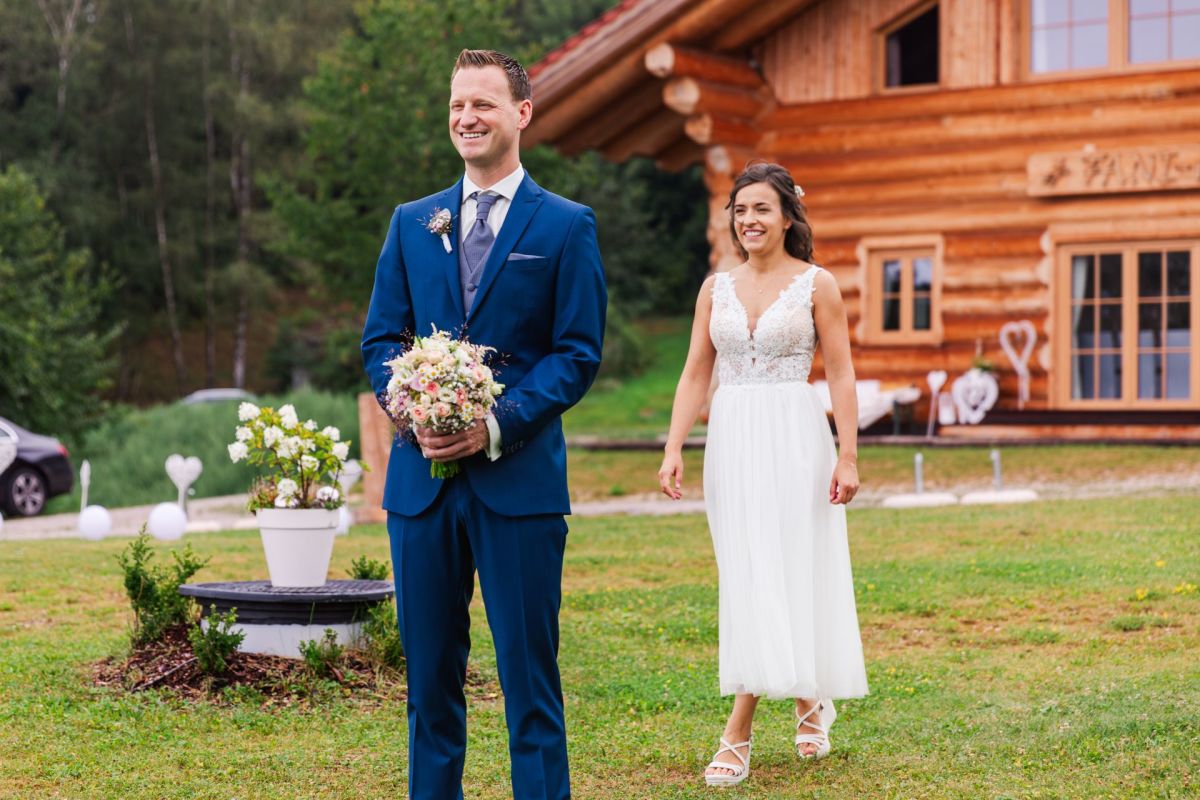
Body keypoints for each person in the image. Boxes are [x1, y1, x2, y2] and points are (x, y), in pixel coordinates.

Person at [361, 48, 606, 800]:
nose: (466, 117)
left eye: (484, 104)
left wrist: (494, 424)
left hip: (519, 485)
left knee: (530, 682)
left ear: (521, 114)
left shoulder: (566, 227)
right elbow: (381, 342)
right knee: (429, 684)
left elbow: (577, 353)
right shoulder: (411, 224)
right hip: (420, 489)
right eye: (456, 105)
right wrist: (411, 408)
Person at [657, 162, 868, 787]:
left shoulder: (816, 285)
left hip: (796, 437)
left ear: (787, 217)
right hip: (732, 440)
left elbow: (841, 373)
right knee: (748, 570)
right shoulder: (715, 288)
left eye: (762, 210)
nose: (749, 220)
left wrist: (848, 454)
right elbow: (697, 370)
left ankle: (738, 730)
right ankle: (808, 699)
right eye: (740, 210)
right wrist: (674, 447)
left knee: (789, 564)